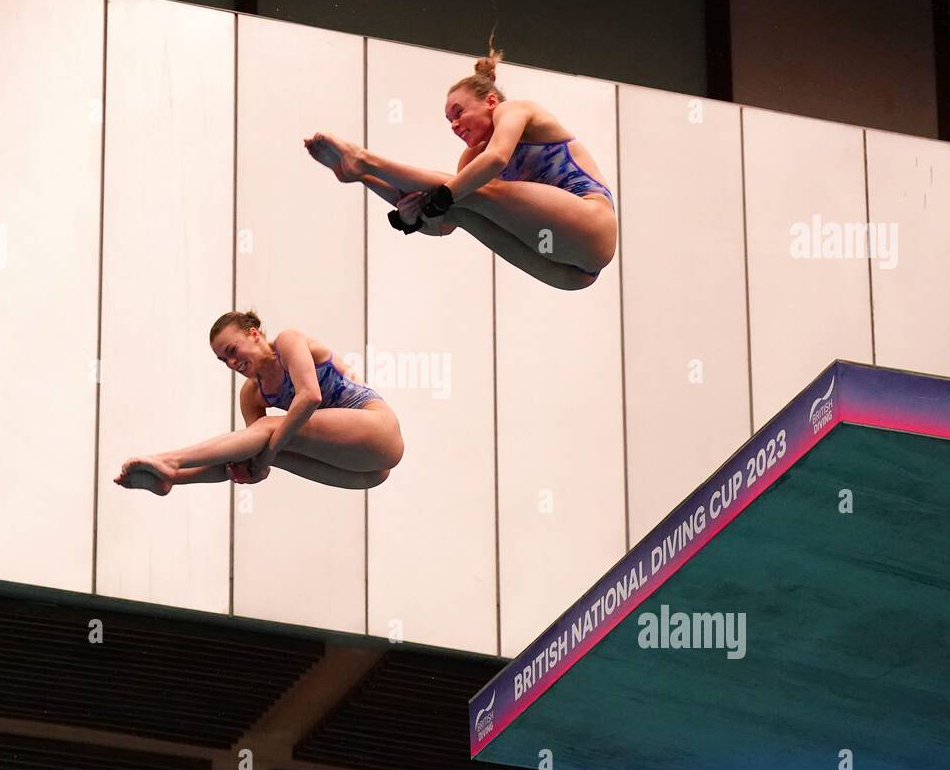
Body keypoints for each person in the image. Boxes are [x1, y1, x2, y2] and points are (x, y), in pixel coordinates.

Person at [305, 31, 617, 291]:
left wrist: (445, 195)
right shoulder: (471, 158)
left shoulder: (515, 112)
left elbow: (496, 159)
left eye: (459, 112)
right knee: (463, 208)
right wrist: (409, 218)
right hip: (570, 274)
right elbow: (444, 225)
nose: (454, 125)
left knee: (468, 192)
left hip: (593, 227)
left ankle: (364, 160)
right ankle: (360, 175)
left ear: (491, 102)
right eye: (449, 121)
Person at [114, 310, 403, 494]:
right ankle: (173, 479)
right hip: (369, 471)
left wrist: (270, 449)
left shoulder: (287, 342)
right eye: (223, 360)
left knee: (269, 432)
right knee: (260, 447)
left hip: (377, 428)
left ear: (254, 335)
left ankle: (171, 460)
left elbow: (310, 396)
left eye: (232, 350)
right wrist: (259, 465)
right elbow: (257, 462)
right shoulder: (251, 394)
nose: (231, 362)